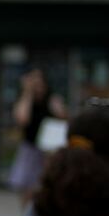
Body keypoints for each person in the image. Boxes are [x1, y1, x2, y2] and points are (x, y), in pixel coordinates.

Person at [8, 69, 66, 203]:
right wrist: (27, 92)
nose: (39, 89)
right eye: (35, 85)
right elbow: (22, 119)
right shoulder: (25, 100)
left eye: (41, 84)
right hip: (30, 148)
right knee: (27, 189)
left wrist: (58, 110)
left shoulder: (53, 100)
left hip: (49, 152)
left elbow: (63, 120)